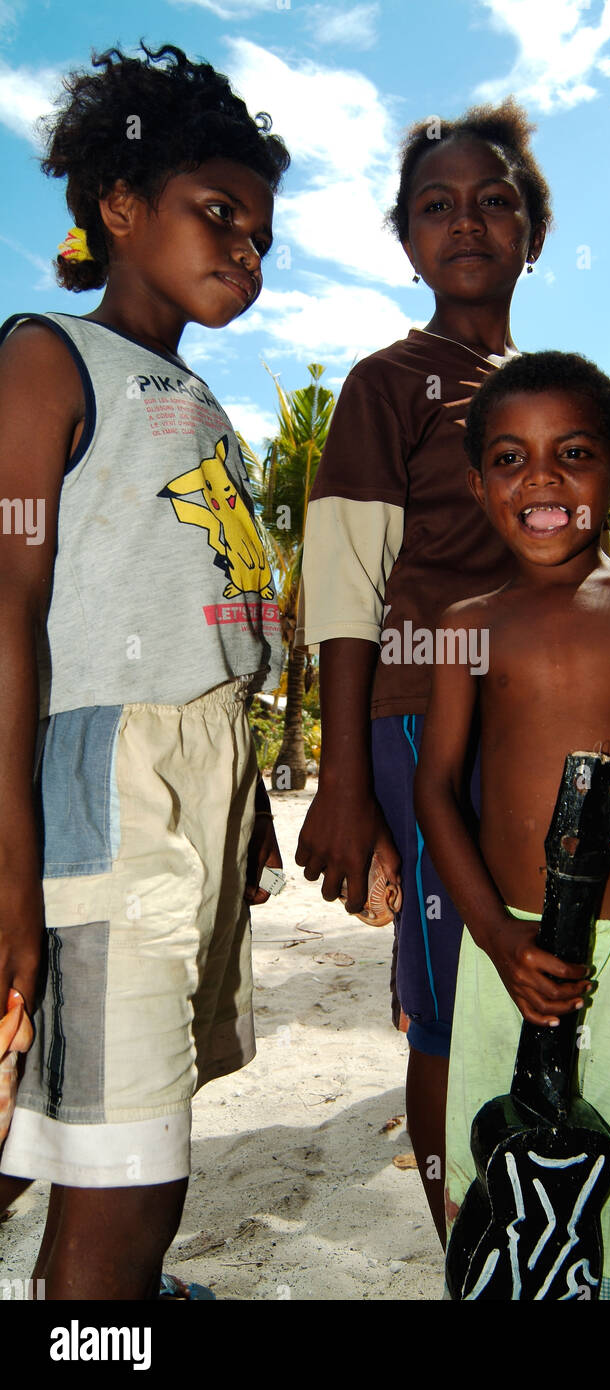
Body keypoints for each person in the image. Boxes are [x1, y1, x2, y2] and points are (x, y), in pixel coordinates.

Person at [0, 44, 290, 1299]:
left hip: (199, 782)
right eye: (215, 213)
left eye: (263, 233)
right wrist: (12, 868)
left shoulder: (201, 405)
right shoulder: (47, 358)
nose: (246, 249)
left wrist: (249, 810)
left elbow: (207, 620)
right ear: (120, 207)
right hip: (105, 782)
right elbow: (7, 601)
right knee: (130, 1162)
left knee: (67, 1111)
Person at [415, 350, 610, 1297]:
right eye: (510, 459)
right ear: (479, 486)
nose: (542, 479)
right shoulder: (464, 621)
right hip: (502, 951)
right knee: (498, 1161)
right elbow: (436, 790)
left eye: (574, 453)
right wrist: (496, 939)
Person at [294, 101, 551, 1245]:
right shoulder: (388, 384)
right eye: (435, 206)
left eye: (492, 200)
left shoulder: (547, 391)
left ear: (529, 233)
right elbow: (347, 592)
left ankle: (544, 1217)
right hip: (416, 722)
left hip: (541, 724)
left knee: (541, 977)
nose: (465, 221)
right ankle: (470, 1246)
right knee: (452, 1005)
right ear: (405, 242)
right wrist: (345, 782)